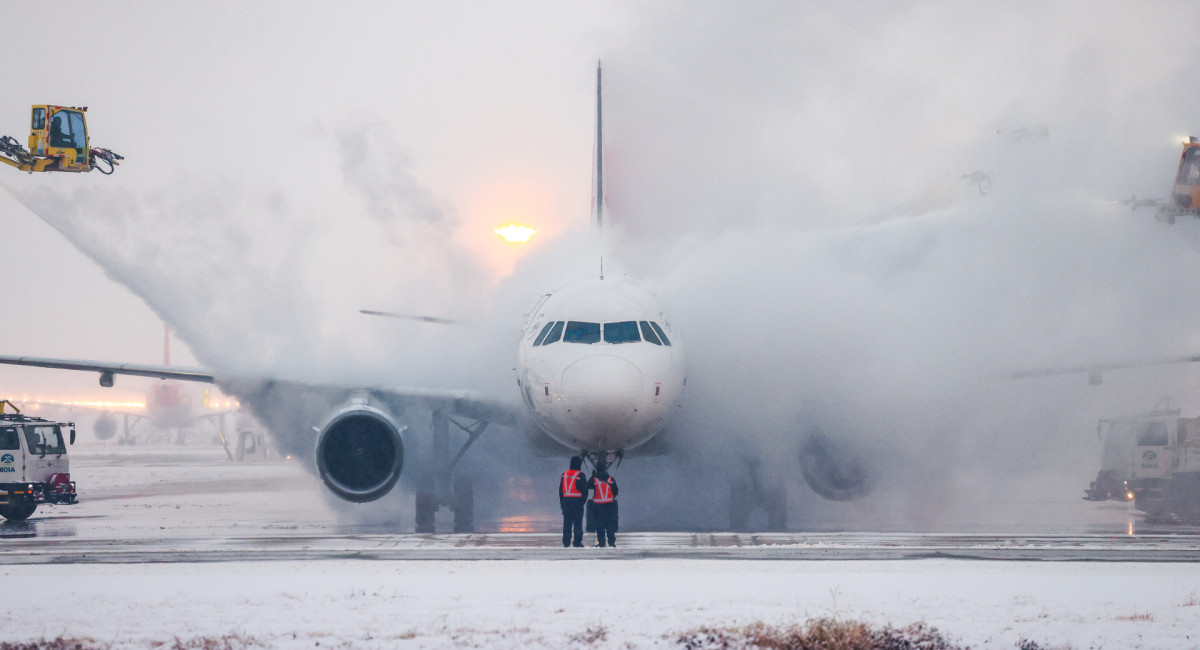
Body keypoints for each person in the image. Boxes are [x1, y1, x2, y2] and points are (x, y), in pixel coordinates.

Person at [558, 456, 589, 547]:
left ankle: (566, 541)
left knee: (567, 523)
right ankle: (577, 541)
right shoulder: (580, 475)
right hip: (577, 502)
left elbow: (561, 491)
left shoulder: (564, 474)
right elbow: (585, 491)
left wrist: (562, 503)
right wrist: (582, 502)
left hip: (566, 502)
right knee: (578, 523)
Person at [590, 460, 619, 547]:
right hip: (610, 506)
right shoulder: (611, 479)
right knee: (610, 525)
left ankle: (601, 543)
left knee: (600, 525)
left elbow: (588, 486)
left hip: (599, 506)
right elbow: (616, 491)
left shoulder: (595, 479)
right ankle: (611, 542)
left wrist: (593, 476)